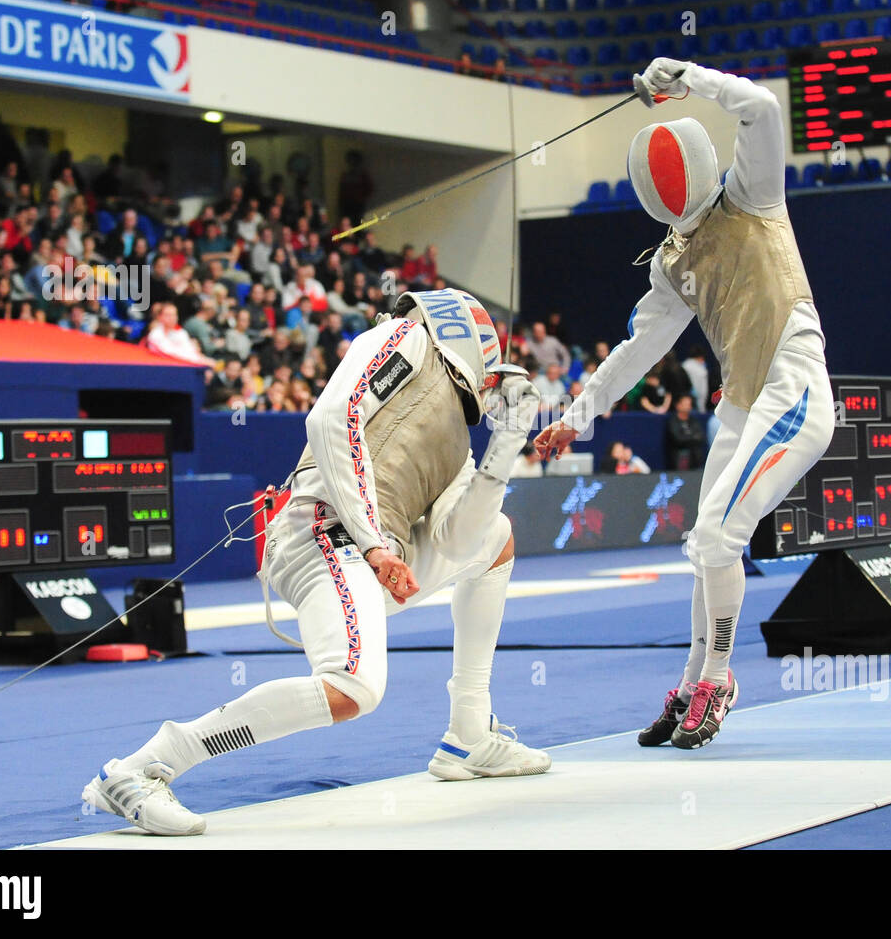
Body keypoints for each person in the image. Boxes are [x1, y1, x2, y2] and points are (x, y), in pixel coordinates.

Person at [83, 288, 550, 835]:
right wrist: (375, 542)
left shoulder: (458, 442)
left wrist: (509, 441)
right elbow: (333, 415)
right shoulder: (404, 338)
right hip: (324, 531)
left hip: (374, 555)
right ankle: (141, 769)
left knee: (497, 540)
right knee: (354, 686)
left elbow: (458, 540)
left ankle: (469, 734)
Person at [536, 59, 833, 750]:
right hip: (741, 404)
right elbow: (640, 348)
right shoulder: (670, 262)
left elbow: (760, 106)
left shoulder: (753, 197)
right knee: (705, 549)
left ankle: (719, 680)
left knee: (718, 538)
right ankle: (694, 675)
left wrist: (691, 77)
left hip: (793, 389)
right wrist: (577, 415)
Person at [665, 394, 707, 469]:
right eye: (685, 404)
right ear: (678, 405)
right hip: (678, 455)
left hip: (695, 455)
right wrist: (692, 437)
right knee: (684, 453)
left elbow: (701, 437)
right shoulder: (673, 422)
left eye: (689, 404)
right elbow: (678, 439)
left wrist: (688, 438)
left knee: (697, 452)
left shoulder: (694, 421)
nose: (688, 407)